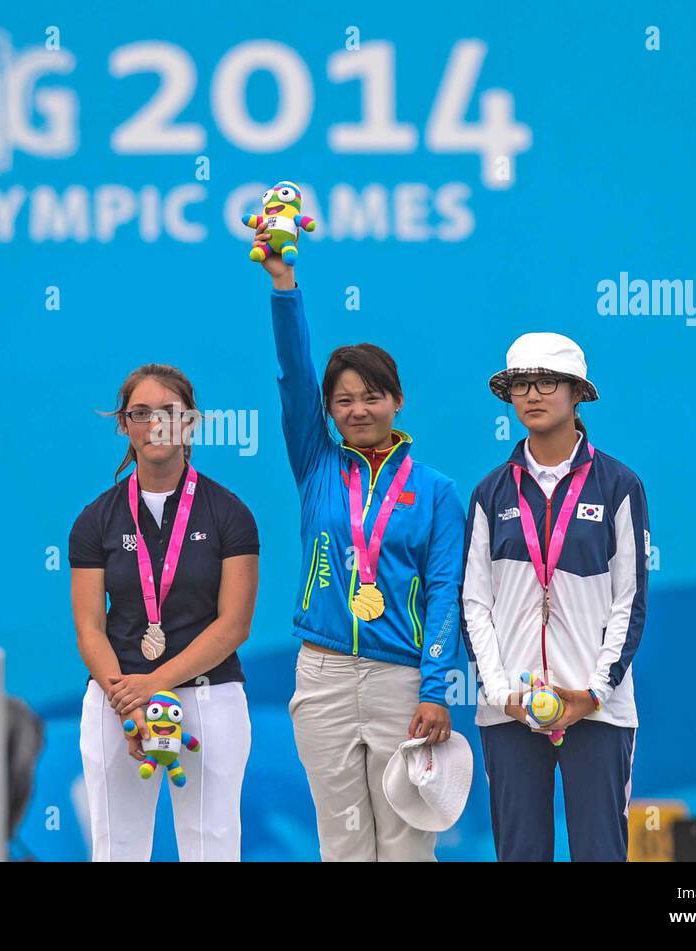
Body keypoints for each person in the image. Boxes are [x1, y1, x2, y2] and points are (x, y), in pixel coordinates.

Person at [254, 229, 465, 862]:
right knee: (342, 841)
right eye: (343, 400)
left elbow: (445, 593)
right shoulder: (317, 465)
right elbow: (294, 378)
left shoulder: (435, 492)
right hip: (321, 675)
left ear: (397, 401)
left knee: (405, 843)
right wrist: (283, 285)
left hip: (401, 678)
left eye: (371, 395)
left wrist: (434, 689)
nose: (358, 408)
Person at [461, 333, 649, 861]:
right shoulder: (490, 492)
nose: (532, 394)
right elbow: (474, 602)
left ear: (575, 393)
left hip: (597, 707)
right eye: (520, 384)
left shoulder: (619, 485)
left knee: (599, 852)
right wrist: (502, 695)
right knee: (520, 853)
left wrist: (593, 692)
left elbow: (629, 601)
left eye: (547, 382)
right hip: (511, 710)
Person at [69, 364, 259, 861]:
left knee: (212, 848)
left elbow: (234, 624)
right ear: (123, 425)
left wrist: (153, 684)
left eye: (168, 413)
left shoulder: (229, 513)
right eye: (140, 413)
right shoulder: (95, 519)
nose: (155, 424)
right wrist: (129, 701)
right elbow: (89, 628)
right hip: (118, 700)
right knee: (118, 850)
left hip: (208, 695)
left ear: (190, 422)